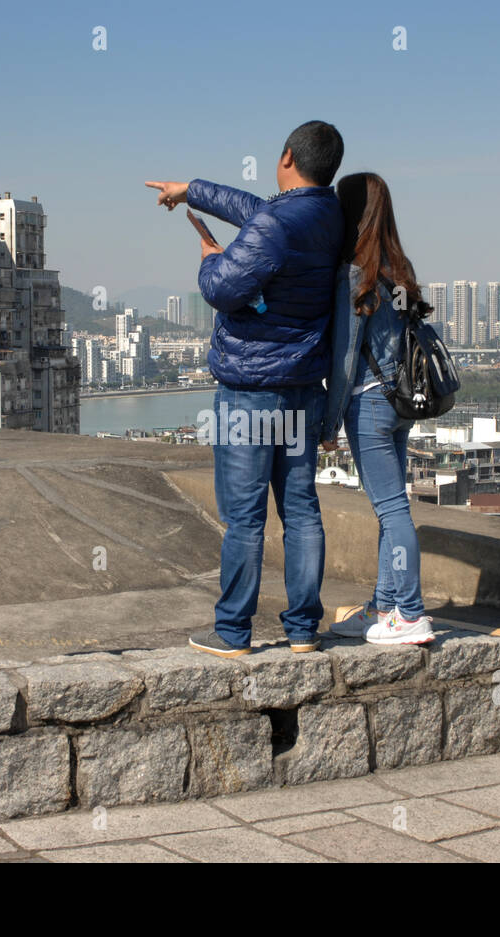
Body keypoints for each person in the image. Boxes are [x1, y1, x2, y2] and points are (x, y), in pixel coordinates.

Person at [146, 120, 345, 657]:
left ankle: (233, 631)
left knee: (244, 516)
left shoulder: (278, 225)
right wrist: (192, 189)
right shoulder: (328, 216)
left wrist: (211, 258)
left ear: (286, 157)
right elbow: (258, 213)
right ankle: (303, 629)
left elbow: (224, 289)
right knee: (301, 510)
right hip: (305, 387)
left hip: (251, 394)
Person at [322, 172, 435, 645]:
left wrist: (329, 424)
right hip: (400, 403)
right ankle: (383, 607)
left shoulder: (356, 274)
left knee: (392, 511)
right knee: (392, 508)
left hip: (369, 403)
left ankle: (410, 613)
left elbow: (346, 357)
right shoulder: (399, 269)